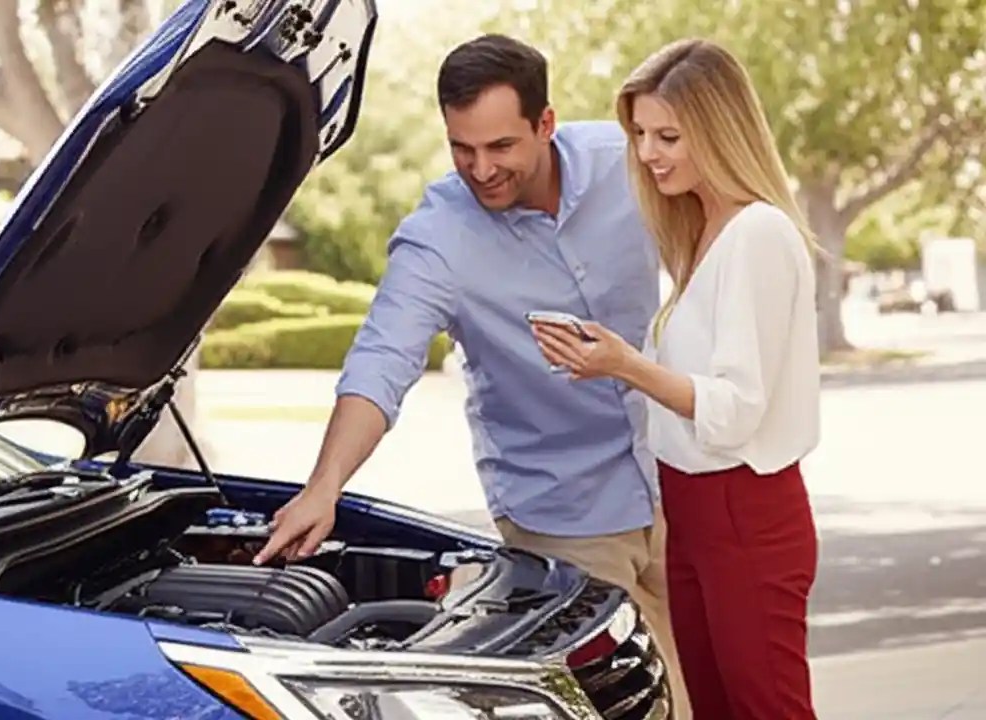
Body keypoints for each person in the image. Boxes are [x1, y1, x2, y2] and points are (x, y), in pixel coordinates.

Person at [252, 33, 692, 718]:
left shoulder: (625, 163)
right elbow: (381, 360)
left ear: (545, 125)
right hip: (564, 517)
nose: (481, 169)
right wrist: (324, 486)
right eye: (463, 149)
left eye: (501, 147)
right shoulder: (439, 239)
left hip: (676, 480)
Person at [532, 38, 821, 719]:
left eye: (668, 135)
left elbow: (734, 410)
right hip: (692, 513)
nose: (648, 153)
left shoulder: (756, 234)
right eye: (638, 134)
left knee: (766, 709)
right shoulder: (703, 234)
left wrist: (626, 366)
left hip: (745, 511)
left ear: (720, 131)